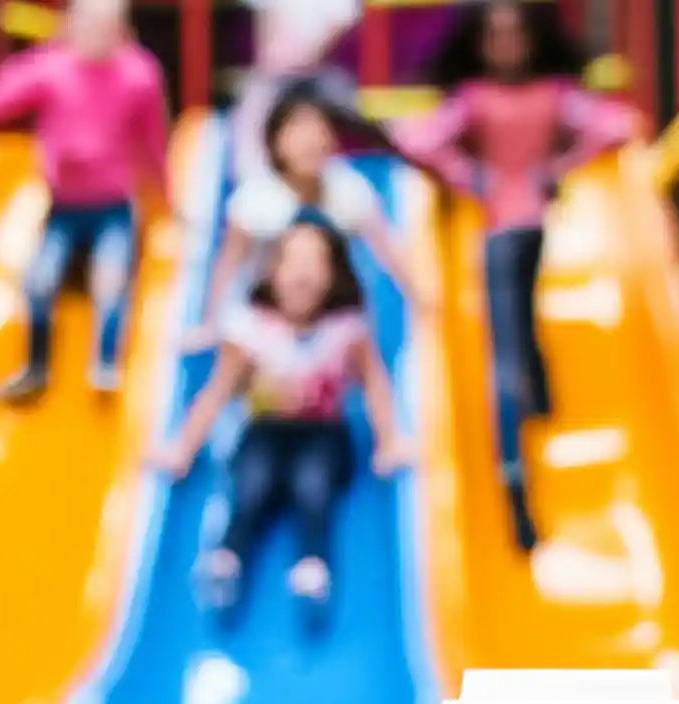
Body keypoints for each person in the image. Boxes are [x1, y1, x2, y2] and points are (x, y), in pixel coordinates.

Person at [395, 0, 633, 550]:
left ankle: (533, 409)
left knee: (514, 335)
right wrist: (468, 175)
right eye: (495, 35)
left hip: (521, 225)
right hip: (504, 228)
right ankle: (515, 471)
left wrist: (557, 168)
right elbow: (420, 140)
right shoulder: (476, 101)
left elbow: (615, 126)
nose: (506, 46)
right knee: (509, 343)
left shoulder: (551, 97)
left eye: (515, 34)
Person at [0, 0, 171, 401]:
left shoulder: (139, 76)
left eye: (104, 27)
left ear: (121, 31)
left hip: (113, 207)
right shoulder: (52, 70)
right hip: (64, 207)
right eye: (85, 25)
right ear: (70, 25)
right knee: (38, 281)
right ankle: (35, 367)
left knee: (112, 280)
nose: (93, 36)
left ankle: (105, 363)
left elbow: (152, 144)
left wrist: (164, 199)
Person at [153, 212, 409, 608]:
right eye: (292, 262)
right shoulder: (252, 328)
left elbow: (375, 382)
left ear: (335, 273)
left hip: (324, 433)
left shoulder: (346, 329)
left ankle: (313, 561)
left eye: (316, 263)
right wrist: (181, 449)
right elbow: (218, 391)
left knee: (314, 484)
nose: (303, 276)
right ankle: (229, 554)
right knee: (252, 481)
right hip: (265, 429)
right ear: (271, 270)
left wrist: (389, 441)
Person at [189, 87, 424, 350]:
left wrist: (422, 301)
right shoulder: (256, 199)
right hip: (269, 322)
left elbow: (389, 250)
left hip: (332, 321)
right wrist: (210, 323)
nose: (311, 143)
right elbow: (229, 263)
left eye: (319, 132)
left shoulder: (348, 189)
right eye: (298, 133)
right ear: (275, 143)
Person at [232, 0, 362, 180]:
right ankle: (251, 175)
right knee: (252, 110)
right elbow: (266, 29)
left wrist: (301, 58)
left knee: (355, 111)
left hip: (321, 73)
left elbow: (337, 29)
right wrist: (277, 61)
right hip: (273, 75)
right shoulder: (261, 96)